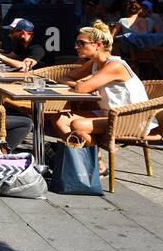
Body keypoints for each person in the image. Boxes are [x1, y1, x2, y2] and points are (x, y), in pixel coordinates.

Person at [55, 21, 150, 171]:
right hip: (109, 113)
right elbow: (64, 78)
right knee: (59, 118)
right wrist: (81, 83)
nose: (76, 47)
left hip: (131, 118)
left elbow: (82, 88)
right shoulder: (95, 63)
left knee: (77, 125)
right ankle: (83, 158)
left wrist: (84, 83)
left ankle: (98, 166)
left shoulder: (115, 66)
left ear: (98, 45)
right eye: (76, 43)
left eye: (81, 43)